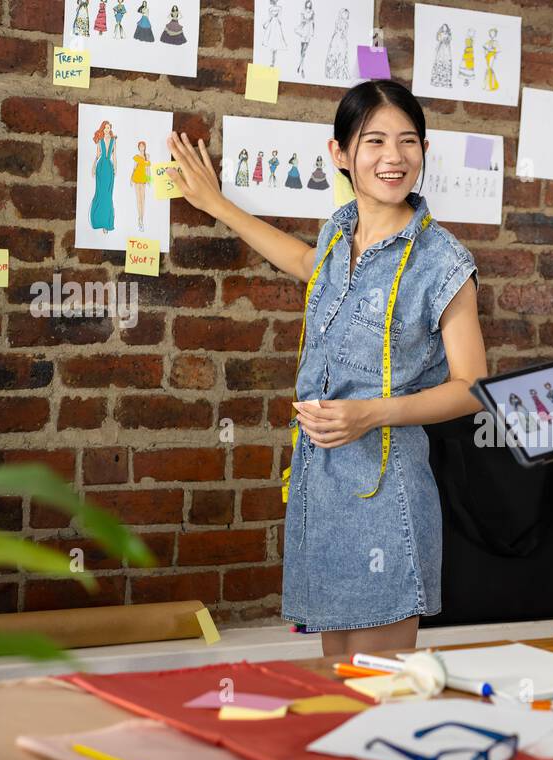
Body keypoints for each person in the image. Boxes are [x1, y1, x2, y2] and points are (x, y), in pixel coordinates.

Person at [168, 80, 485, 657]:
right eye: (375, 141)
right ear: (340, 154)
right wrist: (215, 204)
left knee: (379, 694)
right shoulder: (339, 234)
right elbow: (303, 262)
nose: (395, 157)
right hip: (321, 489)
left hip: (388, 493)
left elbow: (473, 387)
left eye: (409, 142)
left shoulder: (443, 262)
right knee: (338, 687)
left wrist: (372, 414)